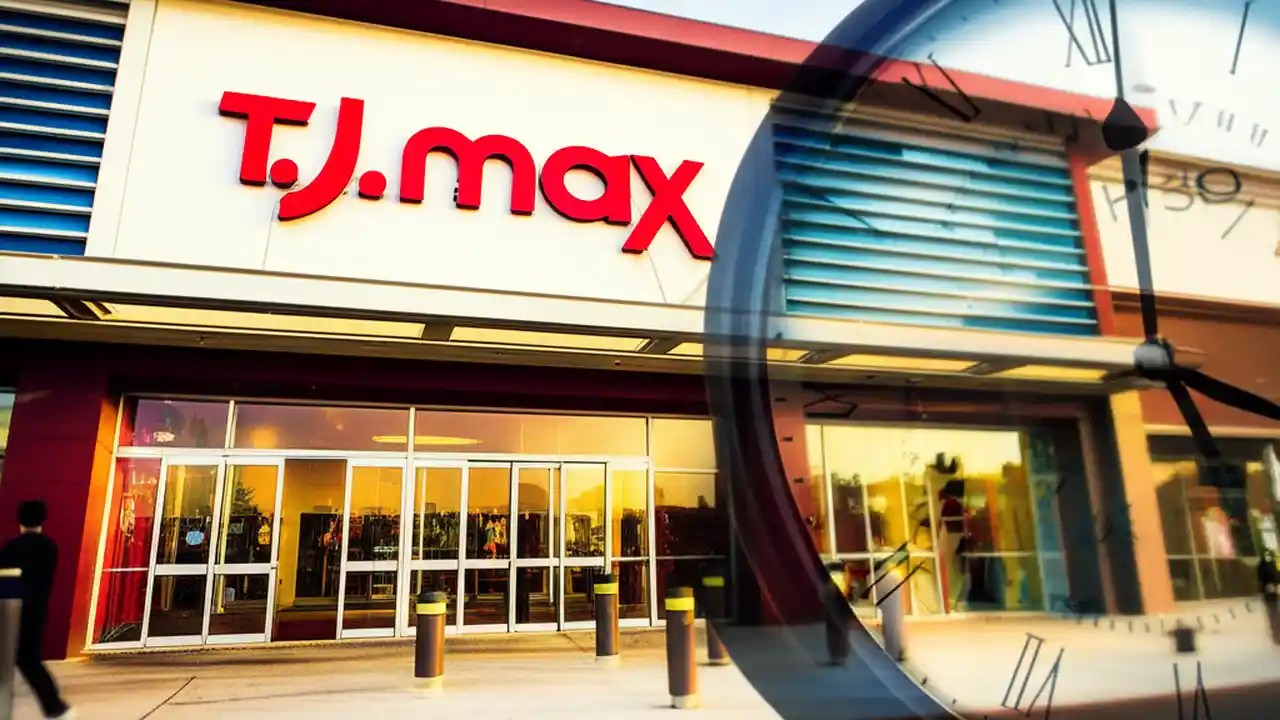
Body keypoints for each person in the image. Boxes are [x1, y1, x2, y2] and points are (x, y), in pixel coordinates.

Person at [0, 500, 73, 718]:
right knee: (29, 660)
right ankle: (55, 706)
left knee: (22, 660)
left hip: (9, 611)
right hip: (36, 612)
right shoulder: (49, 547)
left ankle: (55, 706)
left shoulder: (12, 548)